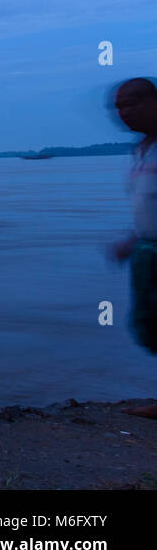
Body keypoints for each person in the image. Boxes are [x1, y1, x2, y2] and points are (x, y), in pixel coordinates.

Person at [111, 77, 157, 418]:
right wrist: (134, 238)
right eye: (119, 105)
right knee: (148, 324)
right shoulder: (141, 150)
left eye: (134, 102)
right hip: (147, 249)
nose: (125, 112)